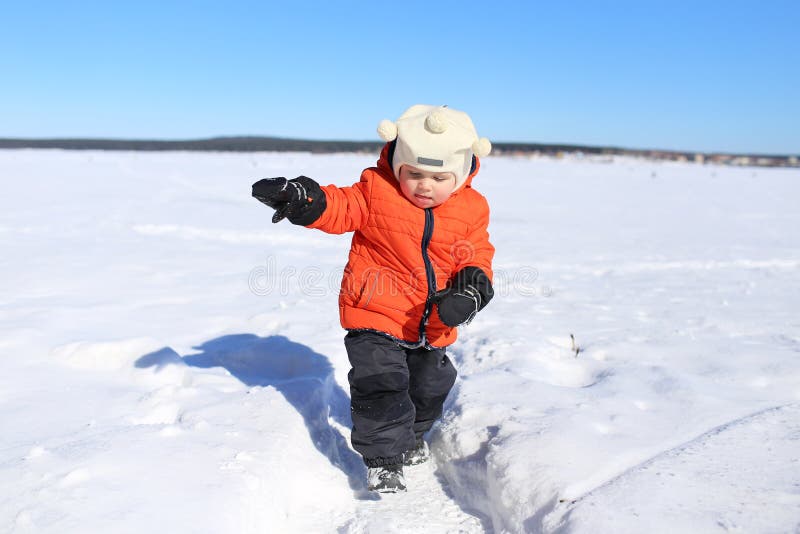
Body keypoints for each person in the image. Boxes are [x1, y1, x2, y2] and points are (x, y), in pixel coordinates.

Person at [252, 104, 495, 493]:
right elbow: (339, 207)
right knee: (381, 383)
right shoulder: (376, 191)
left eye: (438, 177)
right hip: (375, 312)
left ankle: (413, 435)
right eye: (413, 173)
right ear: (398, 166)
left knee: (432, 384)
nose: (424, 185)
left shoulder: (472, 209)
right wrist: (305, 200)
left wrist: (471, 289)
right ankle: (383, 460)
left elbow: (478, 254)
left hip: (432, 321)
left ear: (462, 174)